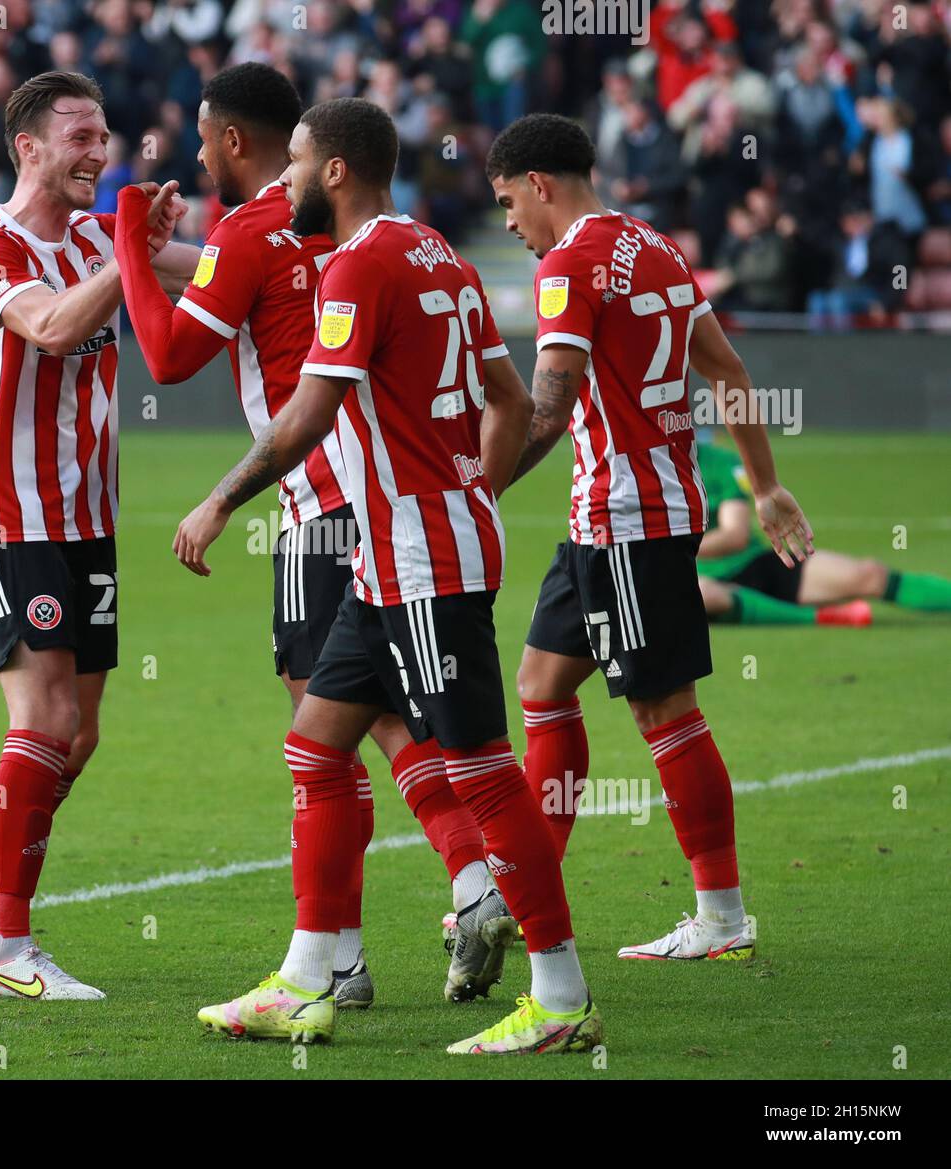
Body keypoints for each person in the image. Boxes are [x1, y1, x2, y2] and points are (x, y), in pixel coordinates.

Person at [172, 98, 603, 1056]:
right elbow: (508, 398)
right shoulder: (435, 252)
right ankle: (307, 978)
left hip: (418, 558)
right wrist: (473, 490)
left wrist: (218, 501)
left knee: (484, 773)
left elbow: (308, 415)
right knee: (318, 747)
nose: (281, 181)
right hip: (398, 552)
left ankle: (562, 996)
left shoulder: (358, 264)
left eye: (292, 163)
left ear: (334, 172)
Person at [112, 63, 503, 1009]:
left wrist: (127, 231)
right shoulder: (338, 231)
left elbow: (166, 356)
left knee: (320, 729)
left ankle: (358, 942)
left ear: (235, 141)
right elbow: (229, 271)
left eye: (203, 138)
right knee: (369, 718)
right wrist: (167, 252)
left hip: (319, 501)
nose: (197, 154)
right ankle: (408, 918)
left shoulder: (258, 228)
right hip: (402, 498)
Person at [487, 113, 814, 962]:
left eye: (507, 203)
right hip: (614, 513)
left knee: (663, 708)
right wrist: (767, 484)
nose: (510, 224)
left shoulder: (568, 267)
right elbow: (727, 369)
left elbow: (548, 412)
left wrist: (473, 493)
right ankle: (529, 895)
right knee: (541, 683)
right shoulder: (653, 245)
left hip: (628, 517)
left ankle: (721, 915)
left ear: (539, 184)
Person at [0, 70, 198, 1001]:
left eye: (104, 133)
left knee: (75, 738)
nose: (99, 150)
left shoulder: (92, 234)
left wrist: (303, 256)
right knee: (44, 719)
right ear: (27, 146)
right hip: (11, 517)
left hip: (88, 520)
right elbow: (47, 326)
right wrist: (129, 254)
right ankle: (6, 944)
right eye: (78, 135)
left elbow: (205, 275)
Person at [697, 438, 951, 624]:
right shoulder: (657, 475)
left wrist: (676, 545)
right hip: (685, 577)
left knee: (870, 575)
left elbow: (736, 535)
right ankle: (822, 617)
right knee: (705, 593)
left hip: (752, 565)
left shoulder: (720, 461)